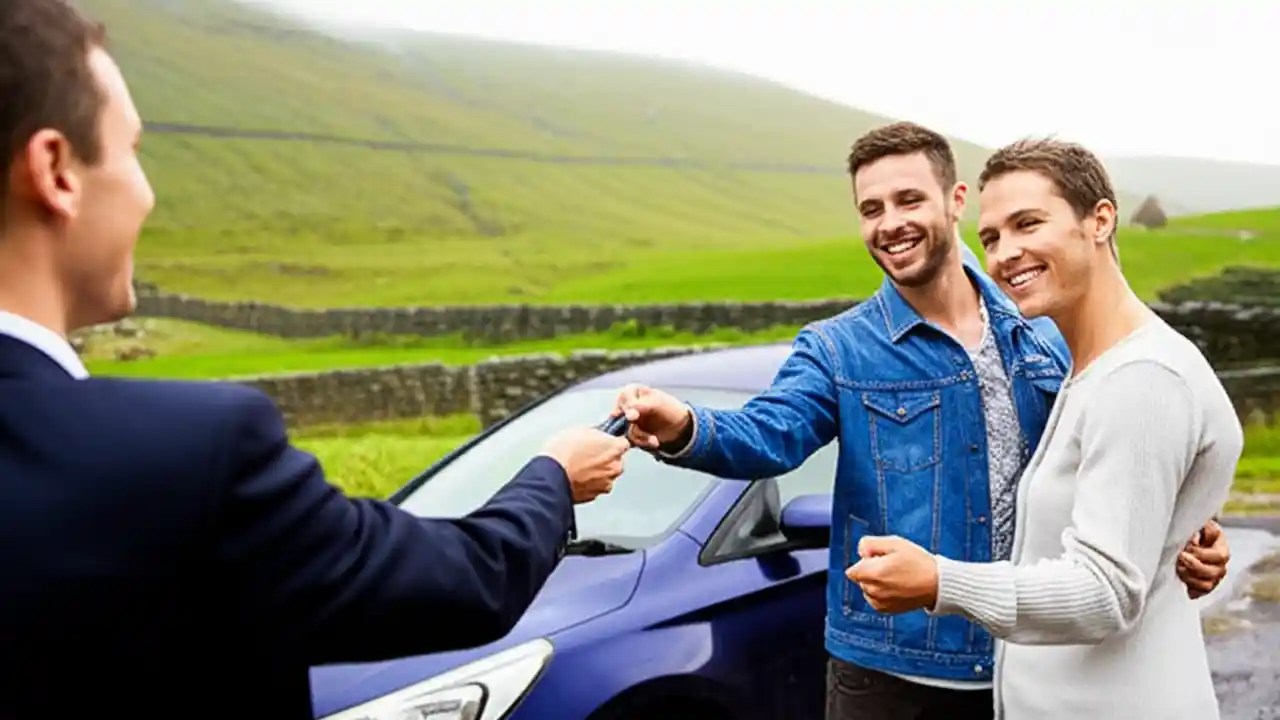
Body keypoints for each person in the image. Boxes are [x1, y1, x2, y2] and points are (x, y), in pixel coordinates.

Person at [0, 1, 631, 717]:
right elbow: (464, 582)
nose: (147, 195)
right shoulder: (189, 456)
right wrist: (555, 475)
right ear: (56, 170)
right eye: (134, 151)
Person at [611, 121, 1232, 720]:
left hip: (1029, 657)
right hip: (895, 676)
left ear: (955, 200)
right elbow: (768, 434)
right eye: (871, 209)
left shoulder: (1042, 327)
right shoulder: (839, 349)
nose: (890, 223)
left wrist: (1175, 527)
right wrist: (684, 426)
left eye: (908, 199)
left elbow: (1109, 460)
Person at [845, 137, 1243, 718]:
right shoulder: (1090, 369)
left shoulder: (1142, 379)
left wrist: (939, 581)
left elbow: (1105, 591)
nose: (1006, 254)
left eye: (1028, 224)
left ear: (1099, 220)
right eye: (990, 238)